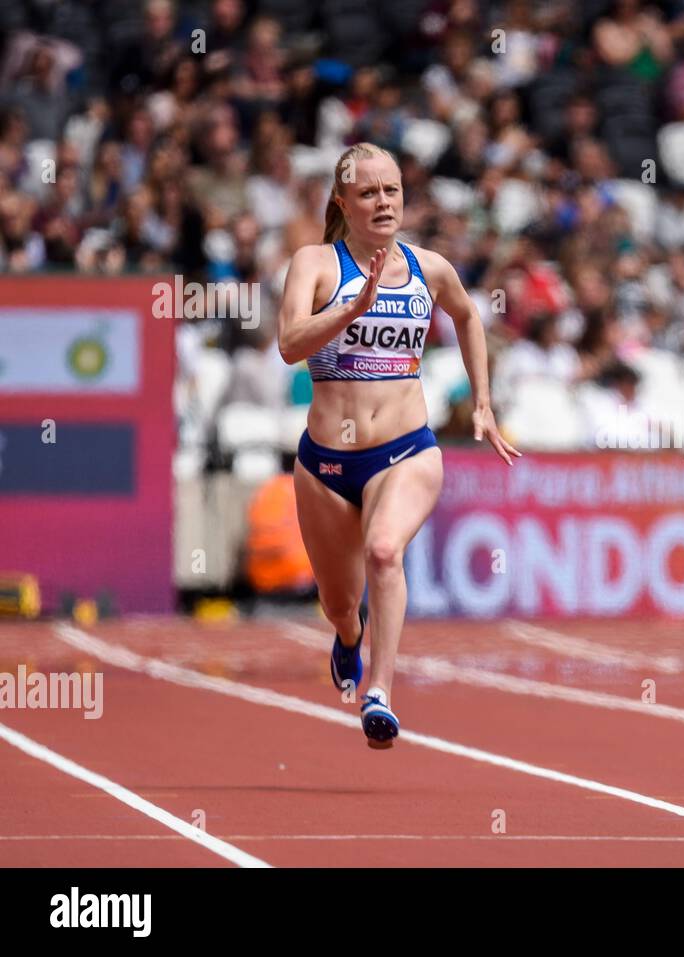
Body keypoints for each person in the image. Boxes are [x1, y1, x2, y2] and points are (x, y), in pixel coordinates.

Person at [277, 143, 520, 748]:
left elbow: (467, 317)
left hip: (406, 450)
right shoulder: (315, 263)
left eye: (391, 191)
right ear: (343, 202)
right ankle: (349, 637)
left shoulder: (429, 268)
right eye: (368, 193)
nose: (382, 202)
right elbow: (288, 344)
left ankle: (379, 691)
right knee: (339, 601)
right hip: (326, 464)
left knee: (385, 551)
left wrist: (483, 402)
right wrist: (347, 311)